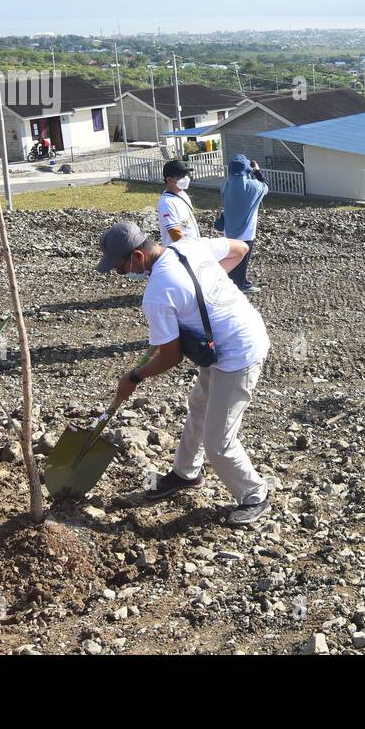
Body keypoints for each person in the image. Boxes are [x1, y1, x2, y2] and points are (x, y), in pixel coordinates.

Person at [95, 220, 273, 525]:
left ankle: (255, 495)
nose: (120, 274)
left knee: (219, 443)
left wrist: (134, 377)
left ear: (138, 256)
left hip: (238, 354)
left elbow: (171, 357)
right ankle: (185, 473)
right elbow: (240, 249)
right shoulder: (189, 244)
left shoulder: (157, 293)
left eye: (120, 267)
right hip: (227, 341)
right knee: (199, 407)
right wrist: (202, 293)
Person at [220, 154, 269, 293]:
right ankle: (239, 286)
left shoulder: (226, 184)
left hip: (228, 229)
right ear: (247, 169)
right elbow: (265, 186)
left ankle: (239, 282)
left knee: (231, 257)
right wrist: (257, 171)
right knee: (242, 259)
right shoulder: (253, 187)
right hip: (246, 231)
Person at [157, 159, 200, 248]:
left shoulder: (182, 194)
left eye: (186, 174)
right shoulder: (166, 203)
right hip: (180, 253)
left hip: (193, 247)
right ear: (169, 179)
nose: (186, 178)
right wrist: (191, 251)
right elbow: (175, 233)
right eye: (181, 175)